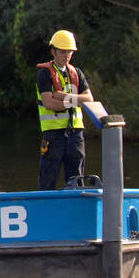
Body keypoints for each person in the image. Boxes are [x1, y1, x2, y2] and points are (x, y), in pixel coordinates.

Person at [35, 30, 94, 189]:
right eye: (62, 51)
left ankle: (75, 208)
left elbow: (89, 99)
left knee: (76, 178)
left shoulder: (76, 73)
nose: (66, 55)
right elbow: (49, 103)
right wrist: (75, 101)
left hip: (75, 133)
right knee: (48, 177)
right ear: (53, 50)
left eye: (70, 51)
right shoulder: (44, 74)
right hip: (54, 134)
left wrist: (63, 97)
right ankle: (47, 208)